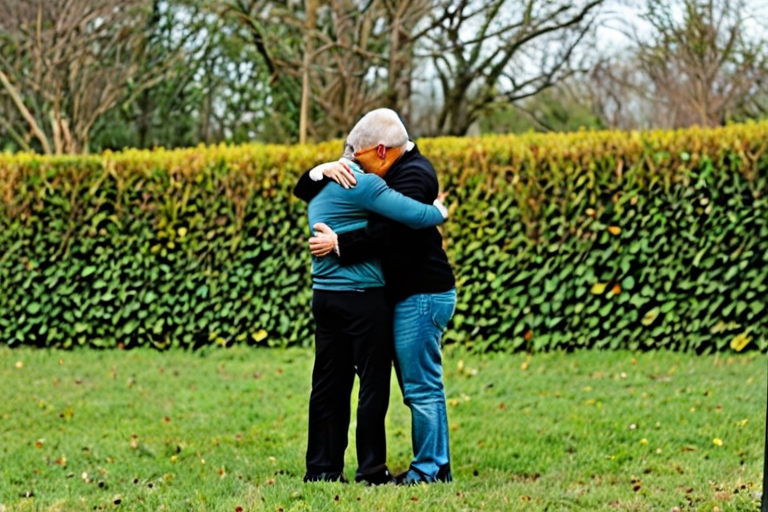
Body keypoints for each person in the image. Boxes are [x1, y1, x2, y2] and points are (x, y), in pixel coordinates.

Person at [294, 108, 457, 485]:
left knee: (419, 387)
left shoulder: (415, 174)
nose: (349, 161)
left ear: (380, 151)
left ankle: (430, 470)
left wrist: (339, 242)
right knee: (373, 386)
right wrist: (320, 168)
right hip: (388, 295)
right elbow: (306, 185)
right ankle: (355, 470)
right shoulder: (361, 179)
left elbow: (395, 229)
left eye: (356, 154)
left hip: (422, 293)